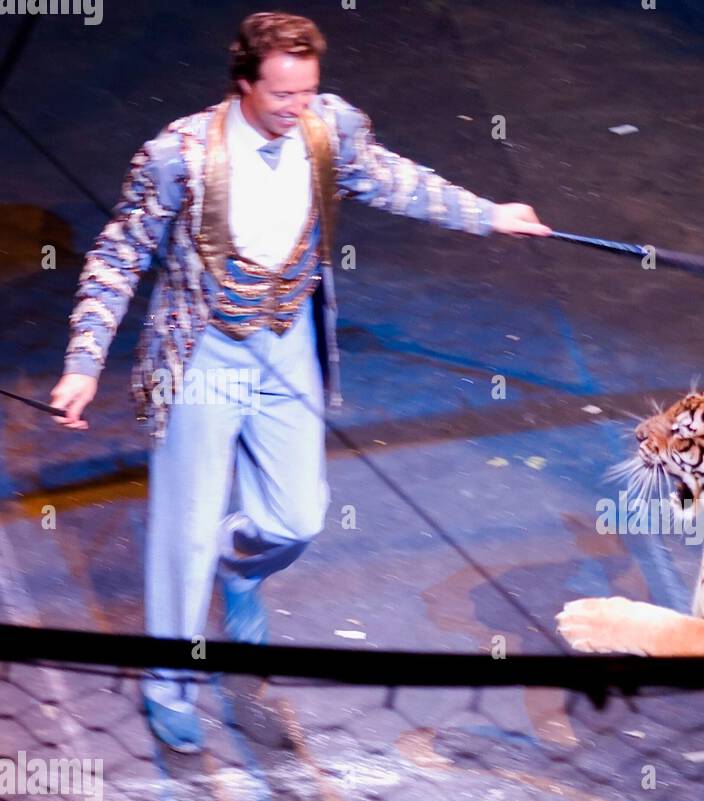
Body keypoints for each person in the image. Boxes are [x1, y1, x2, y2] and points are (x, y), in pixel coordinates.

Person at [48, 11, 551, 753]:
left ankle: (240, 570)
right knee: (182, 536)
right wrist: (84, 364)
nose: (298, 107)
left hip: (287, 347)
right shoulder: (177, 155)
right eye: (283, 95)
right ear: (245, 84)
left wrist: (490, 215)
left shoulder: (330, 128)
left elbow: (395, 181)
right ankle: (169, 682)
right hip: (205, 357)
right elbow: (117, 258)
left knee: (297, 519)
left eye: (308, 91)